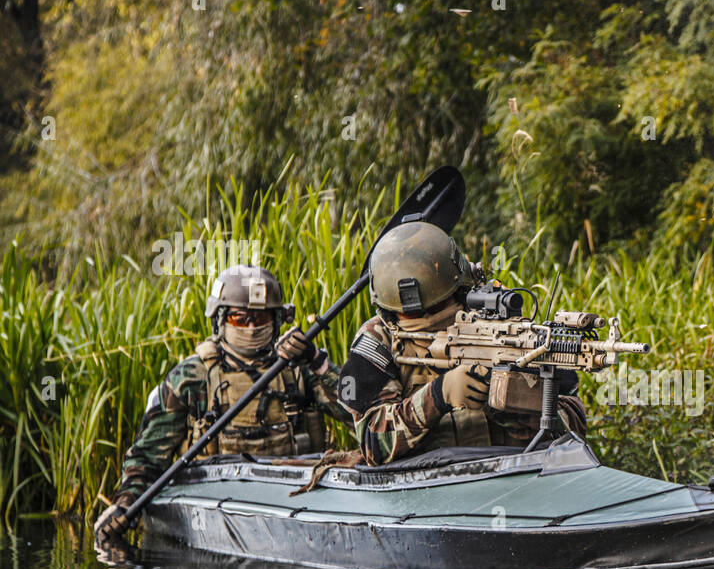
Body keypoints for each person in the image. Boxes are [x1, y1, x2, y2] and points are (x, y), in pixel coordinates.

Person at [94, 265, 351, 545]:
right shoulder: (191, 378)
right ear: (220, 320)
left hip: (291, 502)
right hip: (214, 508)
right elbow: (147, 457)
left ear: (277, 320)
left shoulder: (299, 370)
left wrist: (317, 361)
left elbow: (358, 416)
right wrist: (124, 503)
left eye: (261, 318)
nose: (252, 328)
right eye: (240, 319)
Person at [338, 221, 585, 465]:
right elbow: (373, 444)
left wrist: (512, 402)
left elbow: (573, 423)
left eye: (437, 307)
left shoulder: (500, 323)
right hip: (427, 489)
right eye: (412, 315)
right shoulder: (378, 339)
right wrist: (437, 396)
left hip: (515, 477)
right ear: (390, 309)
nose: (427, 319)